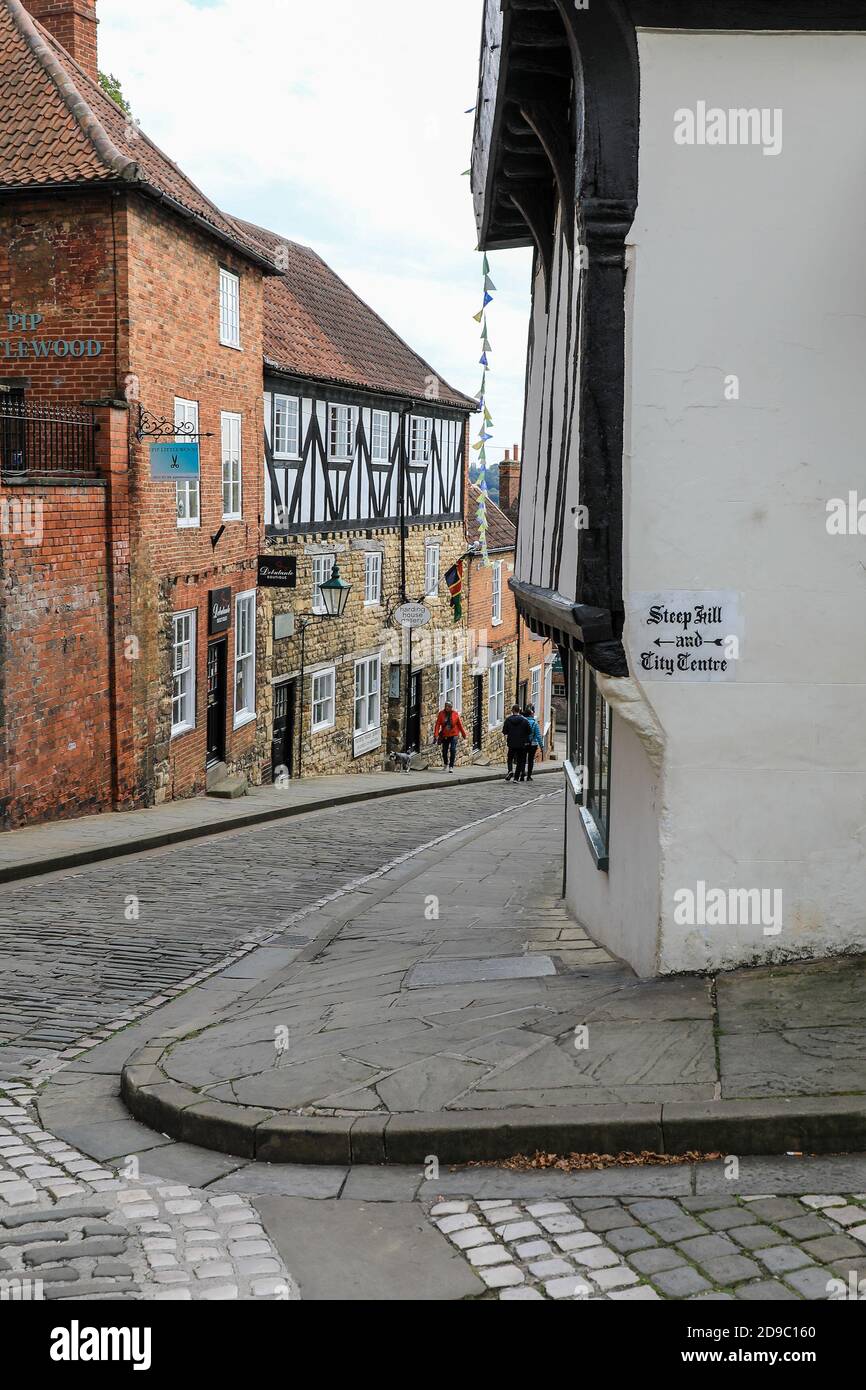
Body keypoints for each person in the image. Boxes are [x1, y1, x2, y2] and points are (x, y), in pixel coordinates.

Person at [433, 701, 467, 772]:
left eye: (448, 706)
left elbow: (459, 725)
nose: (447, 707)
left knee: (452, 749)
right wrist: (436, 735)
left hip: (454, 734)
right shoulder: (441, 714)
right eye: (446, 706)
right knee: (444, 751)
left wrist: (463, 734)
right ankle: (446, 764)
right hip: (445, 735)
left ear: (451, 707)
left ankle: (451, 766)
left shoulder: (455, 714)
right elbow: (437, 725)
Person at [502, 705, 531, 782]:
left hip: (511, 742)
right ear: (519, 710)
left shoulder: (508, 720)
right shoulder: (525, 720)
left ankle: (510, 770)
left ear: (512, 710)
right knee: (519, 760)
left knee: (510, 758)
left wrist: (510, 732)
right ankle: (516, 778)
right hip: (521, 743)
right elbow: (529, 731)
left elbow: (504, 731)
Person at [523, 705, 544, 783]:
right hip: (533, 744)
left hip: (524, 743)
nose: (534, 714)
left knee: (523, 759)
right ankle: (528, 776)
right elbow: (538, 736)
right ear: (531, 715)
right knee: (530, 760)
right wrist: (541, 746)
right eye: (532, 713)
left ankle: (522, 775)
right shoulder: (535, 724)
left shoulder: (523, 722)